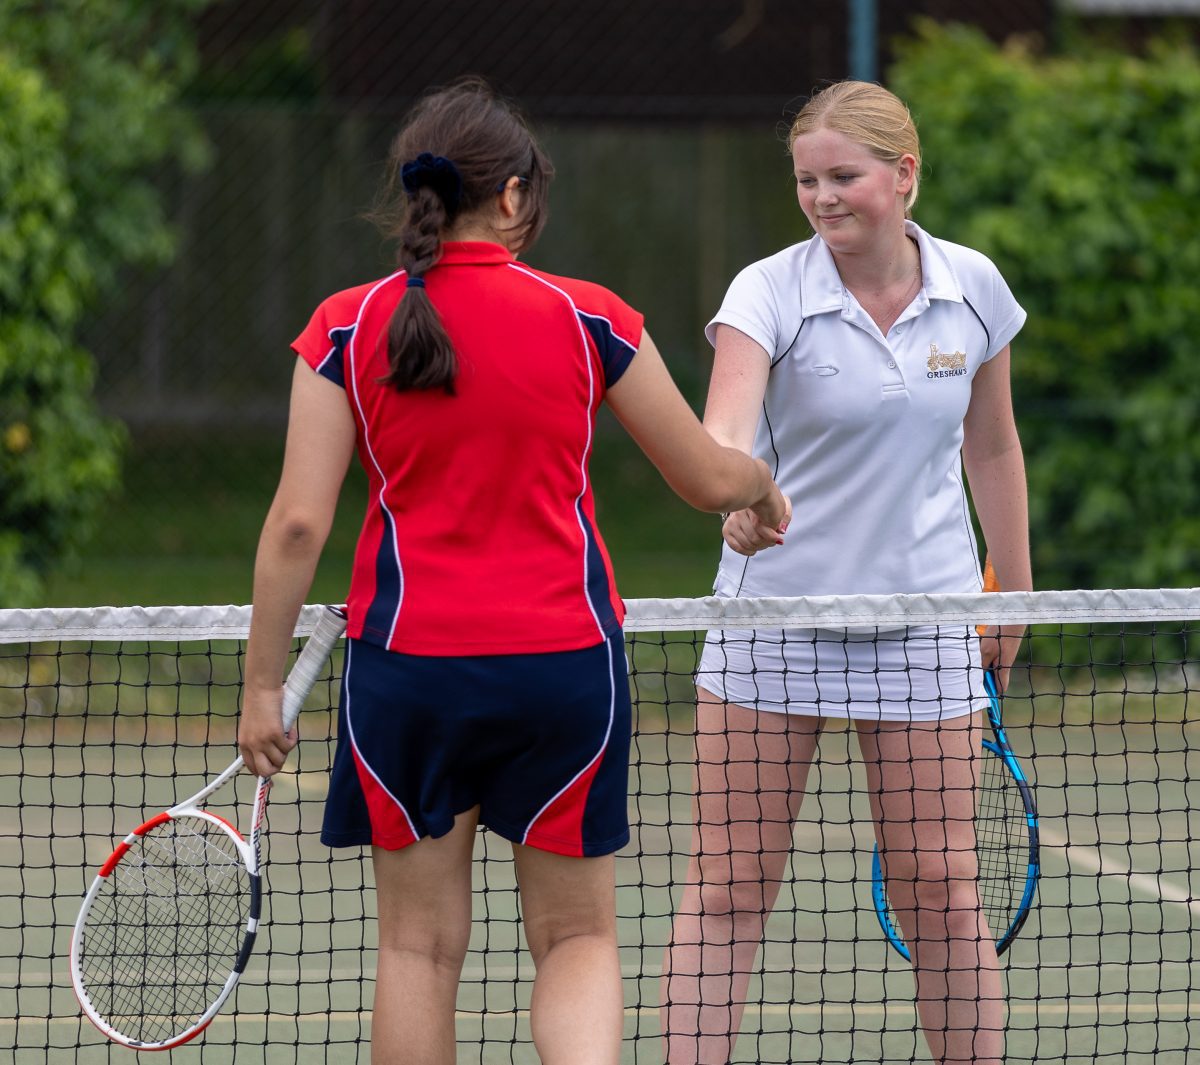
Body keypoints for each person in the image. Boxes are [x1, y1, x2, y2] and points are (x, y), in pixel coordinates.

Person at [236, 78, 787, 1065]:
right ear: (519, 194)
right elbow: (706, 476)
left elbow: (296, 525)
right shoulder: (591, 318)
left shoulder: (344, 327)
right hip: (563, 667)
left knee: (416, 948)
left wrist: (261, 684)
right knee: (575, 939)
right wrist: (761, 483)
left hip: (407, 674)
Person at [661, 80, 1032, 1065]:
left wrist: (1015, 592)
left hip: (925, 628)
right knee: (727, 891)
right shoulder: (768, 291)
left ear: (904, 176)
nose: (823, 199)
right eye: (806, 181)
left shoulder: (974, 288)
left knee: (946, 896)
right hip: (770, 630)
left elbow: (991, 449)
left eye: (844, 177)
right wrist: (737, 491)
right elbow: (725, 430)